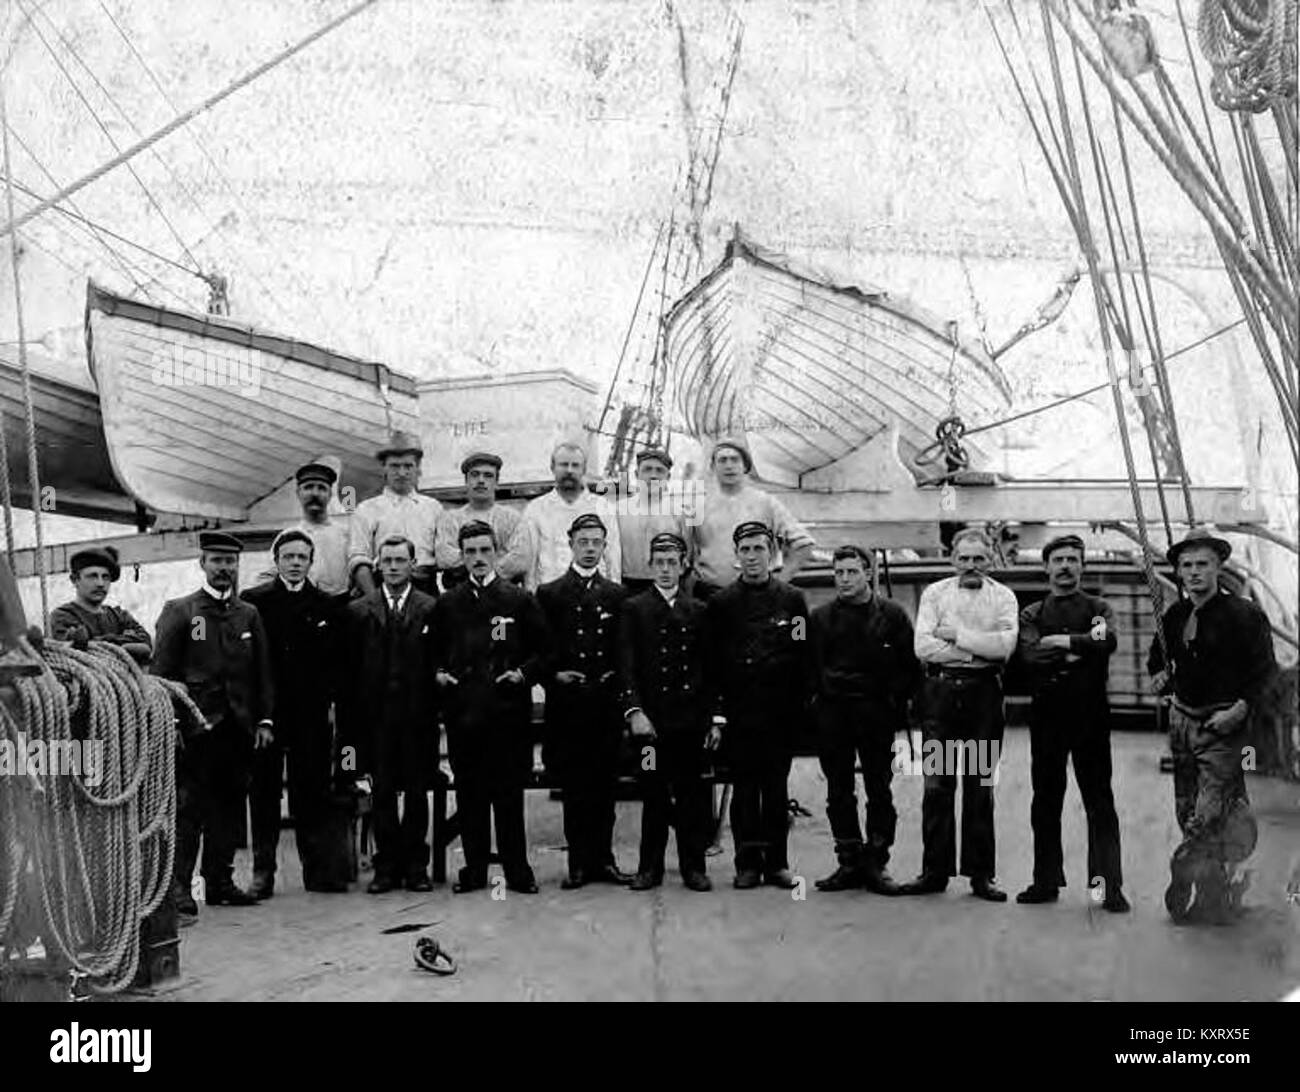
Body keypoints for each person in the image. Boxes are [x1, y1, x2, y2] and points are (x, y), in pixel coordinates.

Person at [1148, 528, 1276, 925]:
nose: (1193, 572)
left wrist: (1241, 710)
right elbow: (1158, 658)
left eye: (1202, 564)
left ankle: (1181, 868)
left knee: (1206, 815)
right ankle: (1212, 895)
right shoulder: (1175, 614)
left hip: (1221, 726)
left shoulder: (1245, 615)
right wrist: (1157, 678)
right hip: (1182, 723)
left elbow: (1266, 673)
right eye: (1186, 566)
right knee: (1186, 808)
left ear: (1219, 567)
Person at [152, 531, 275, 917]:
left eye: (230, 562)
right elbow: (163, 673)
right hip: (195, 728)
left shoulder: (248, 615)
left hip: (238, 729)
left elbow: (263, 674)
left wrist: (264, 720)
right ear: (202, 564)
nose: (224, 569)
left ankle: (219, 882)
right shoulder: (182, 611)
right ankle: (180, 889)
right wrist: (172, 720)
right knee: (190, 808)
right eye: (217, 561)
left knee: (229, 807)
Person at [900, 527, 1018, 902]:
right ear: (952, 559)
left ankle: (981, 875)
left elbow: (1004, 647)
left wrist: (957, 635)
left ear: (991, 559)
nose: (971, 565)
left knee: (979, 787)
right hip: (941, 700)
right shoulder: (935, 594)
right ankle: (934, 872)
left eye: (979, 558)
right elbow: (923, 647)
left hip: (983, 699)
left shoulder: (1003, 597)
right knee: (937, 787)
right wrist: (973, 651)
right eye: (964, 558)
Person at [434, 521, 549, 894]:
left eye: (485, 551)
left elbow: (546, 652)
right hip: (464, 715)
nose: (478, 559)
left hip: (507, 715)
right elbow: (430, 652)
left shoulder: (518, 600)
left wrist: (522, 673)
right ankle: (476, 870)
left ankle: (517, 871)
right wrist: (438, 674)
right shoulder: (449, 603)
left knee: (508, 796)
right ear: (462, 556)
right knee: (470, 795)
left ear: (496, 554)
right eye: (470, 552)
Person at [1016, 534, 1128, 912]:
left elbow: (1106, 640)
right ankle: (1045, 881)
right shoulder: (1032, 613)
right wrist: (1080, 651)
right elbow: (1030, 656)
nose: (1065, 566)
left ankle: (1107, 887)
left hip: (1090, 715)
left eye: (1073, 559)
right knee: (1045, 800)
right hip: (1046, 717)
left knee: (1099, 800)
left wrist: (1060, 642)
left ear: (1083, 565)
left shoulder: (1098, 607)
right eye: (1058, 559)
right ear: (1046, 567)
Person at [243, 530, 351, 898]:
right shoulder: (254, 603)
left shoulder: (326, 605)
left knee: (312, 793)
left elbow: (337, 665)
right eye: (287, 557)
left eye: (301, 557)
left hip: (311, 716)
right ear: (276, 561)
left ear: (310, 561)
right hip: (268, 718)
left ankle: (316, 872)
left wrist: (332, 705)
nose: (294, 563)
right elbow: (250, 664)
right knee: (264, 793)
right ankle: (263, 873)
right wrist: (259, 714)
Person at [706, 521, 811, 889]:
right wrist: (718, 714)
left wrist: (798, 710)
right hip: (740, 713)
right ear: (736, 556)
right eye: (745, 550)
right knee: (745, 790)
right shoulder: (721, 604)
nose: (752, 557)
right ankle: (747, 864)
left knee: (777, 789)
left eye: (759, 549)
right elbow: (713, 662)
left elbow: (802, 654)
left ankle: (778, 863)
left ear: (772, 554)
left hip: (779, 713)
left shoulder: (793, 600)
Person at [809, 545, 918, 894]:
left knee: (879, 790)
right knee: (838, 791)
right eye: (838, 573)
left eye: (851, 572)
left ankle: (877, 862)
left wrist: (890, 700)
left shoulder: (893, 616)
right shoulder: (820, 618)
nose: (844, 579)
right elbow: (810, 668)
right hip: (834, 716)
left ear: (868, 573)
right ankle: (849, 861)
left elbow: (910, 668)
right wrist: (822, 701)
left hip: (876, 717)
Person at [620, 532, 719, 892]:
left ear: (683, 566)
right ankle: (650, 868)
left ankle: (694, 867)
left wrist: (714, 718)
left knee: (692, 795)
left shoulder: (699, 611)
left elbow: (711, 670)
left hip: (689, 723)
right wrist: (634, 712)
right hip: (650, 727)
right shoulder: (634, 608)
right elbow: (626, 665)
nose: (665, 569)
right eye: (658, 563)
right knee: (654, 794)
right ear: (650, 566)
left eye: (671, 563)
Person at [536, 514, 631, 888]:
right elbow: (539, 650)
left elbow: (623, 649)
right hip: (568, 706)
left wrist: (615, 679)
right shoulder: (550, 593)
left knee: (604, 787)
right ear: (571, 543)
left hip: (604, 706)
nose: (590, 548)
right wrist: (554, 676)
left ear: (604, 547)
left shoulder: (616, 595)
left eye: (597, 542)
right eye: (583, 541)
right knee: (574, 789)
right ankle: (578, 863)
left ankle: (604, 860)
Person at [340, 536, 439, 894]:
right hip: (375, 720)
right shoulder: (358, 611)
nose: (394, 567)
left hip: (417, 718)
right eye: (388, 560)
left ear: (413, 565)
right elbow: (349, 673)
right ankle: (386, 867)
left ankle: (416, 866)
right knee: (381, 792)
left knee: (416, 792)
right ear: (378, 565)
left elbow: (437, 664)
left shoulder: (430, 607)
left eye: (401, 560)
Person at [690, 438, 814, 600]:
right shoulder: (698, 505)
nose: (729, 466)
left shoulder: (765, 502)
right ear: (713, 467)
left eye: (735, 460)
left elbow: (804, 545)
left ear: (745, 466)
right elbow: (685, 550)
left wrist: (779, 582)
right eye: (722, 460)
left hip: (756, 595)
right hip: (710, 594)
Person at [348, 431, 443, 597]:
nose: (401, 472)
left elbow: (443, 557)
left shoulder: (433, 508)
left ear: (418, 469)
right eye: (395, 466)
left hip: (424, 587)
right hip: (381, 587)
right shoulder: (366, 509)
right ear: (384, 468)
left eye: (408, 466)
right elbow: (358, 558)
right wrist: (374, 599)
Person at [519, 442, 621, 591]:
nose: (569, 470)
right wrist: (531, 596)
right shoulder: (535, 509)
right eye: (563, 464)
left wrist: (615, 594)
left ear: (584, 469)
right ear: (552, 467)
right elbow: (530, 561)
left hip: (596, 594)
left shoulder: (603, 506)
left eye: (575, 465)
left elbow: (613, 556)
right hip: (551, 595)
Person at [255, 462, 351, 599]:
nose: (315, 493)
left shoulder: (346, 535)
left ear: (330, 494)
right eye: (308, 487)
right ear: (298, 493)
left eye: (322, 488)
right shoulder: (287, 536)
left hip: (338, 607)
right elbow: (266, 578)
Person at [433, 451, 529, 588]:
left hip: (503, 592)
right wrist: (497, 557)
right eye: (475, 475)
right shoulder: (450, 519)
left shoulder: (512, 518)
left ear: (497, 483)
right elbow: (445, 558)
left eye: (488, 476)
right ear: (466, 481)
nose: (481, 480)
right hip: (461, 593)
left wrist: (478, 568)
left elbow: (520, 559)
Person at [49, 545, 151, 663]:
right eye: (93, 576)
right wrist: (125, 643)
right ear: (75, 580)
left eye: (105, 577)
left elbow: (145, 641)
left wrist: (97, 641)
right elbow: (77, 653)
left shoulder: (119, 615)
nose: (100, 583)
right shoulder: (63, 616)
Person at [616, 447, 690, 596]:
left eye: (659, 471)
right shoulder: (619, 510)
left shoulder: (681, 512)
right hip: (629, 585)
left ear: (668, 476)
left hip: (667, 586)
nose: (653, 476)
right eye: (647, 470)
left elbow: (688, 555)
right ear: (637, 474)